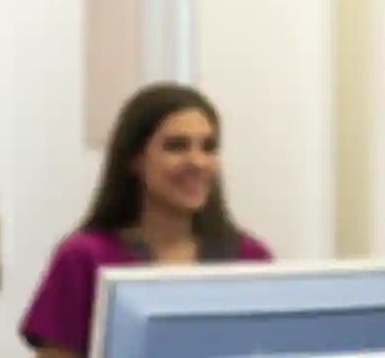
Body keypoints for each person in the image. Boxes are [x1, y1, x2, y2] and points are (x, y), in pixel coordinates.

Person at [20, 83, 272, 357]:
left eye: (208, 147)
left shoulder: (249, 258)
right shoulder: (83, 258)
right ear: (135, 159)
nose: (198, 162)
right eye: (176, 146)